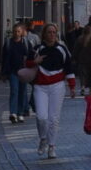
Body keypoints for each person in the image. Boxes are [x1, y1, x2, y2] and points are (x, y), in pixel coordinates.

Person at [30, 24, 73, 159]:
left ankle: (52, 146)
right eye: (49, 32)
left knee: (53, 118)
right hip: (40, 86)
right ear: (44, 34)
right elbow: (27, 65)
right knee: (41, 117)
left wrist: (72, 86)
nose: (52, 35)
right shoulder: (37, 49)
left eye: (54, 32)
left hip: (57, 86)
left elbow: (69, 67)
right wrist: (34, 61)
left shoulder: (62, 49)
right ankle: (43, 139)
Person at [1, 23, 33, 123]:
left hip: (23, 72)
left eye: (18, 31)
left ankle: (20, 113)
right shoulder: (8, 43)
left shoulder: (26, 43)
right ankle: (13, 113)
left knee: (22, 92)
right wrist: (4, 73)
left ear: (21, 32)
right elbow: (4, 58)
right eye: (15, 31)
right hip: (12, 71)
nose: (16, 33)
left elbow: (31, 55)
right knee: (14, 91)